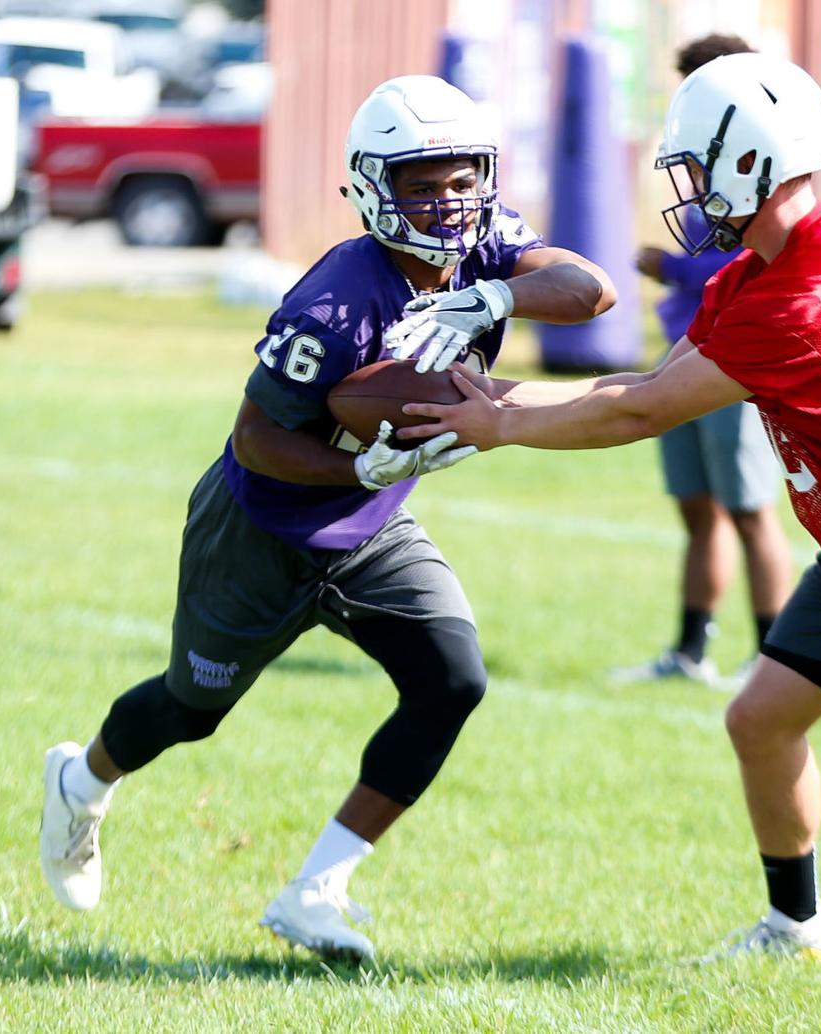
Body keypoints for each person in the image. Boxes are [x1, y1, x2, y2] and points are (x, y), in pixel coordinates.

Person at [398, 54, 821, 1011]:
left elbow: (639, 417)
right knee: (759, 720)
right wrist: (492, 398)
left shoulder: (807, 301)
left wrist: (498, 426)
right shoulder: (770, 268)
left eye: (702, 170)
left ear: (753, 161)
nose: (692, 192)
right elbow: (640, 384)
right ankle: (796, 931)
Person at [38, 75, 616, 963]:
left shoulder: (483, 249)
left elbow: (591, 290)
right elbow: (257, 436)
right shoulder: (335, 302)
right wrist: (361, 466)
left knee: (452, 680)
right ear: (374, 187)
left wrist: (496, 298)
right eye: (422, 183)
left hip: (372, 530)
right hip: (262, 527)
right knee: (192, 710)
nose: (448, 202)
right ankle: (80, 782)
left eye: (461, 180)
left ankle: (318, 889)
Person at [611, 33, 791, 690]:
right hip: (687, 344)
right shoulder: (702, 163)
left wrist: (670, 268)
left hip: (735, 358)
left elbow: (758, 262)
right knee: (696, 509)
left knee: (748, 510)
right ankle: (690, 650)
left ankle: (772, 657)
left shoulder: (766, 161)